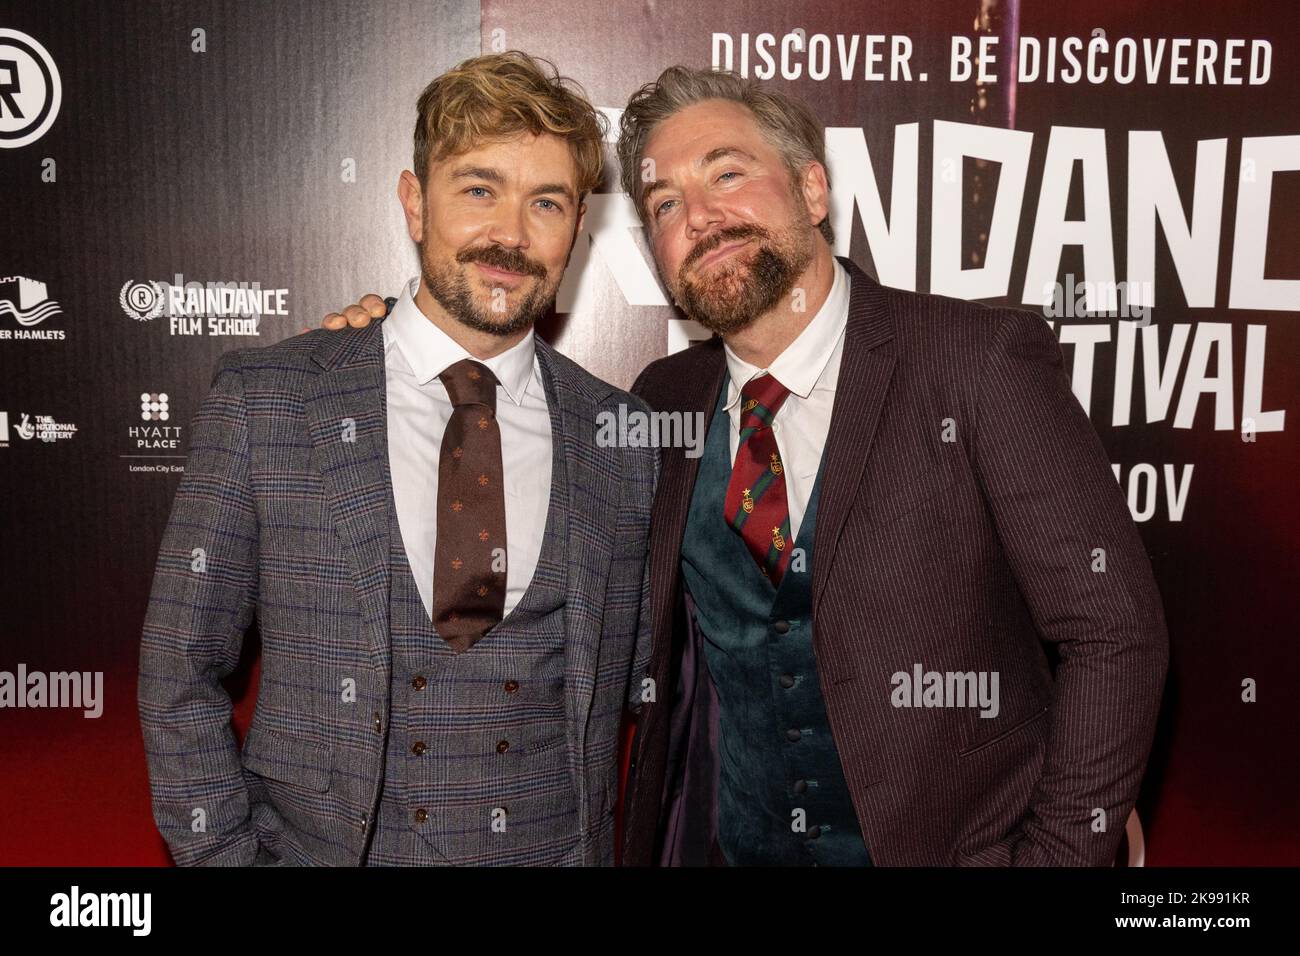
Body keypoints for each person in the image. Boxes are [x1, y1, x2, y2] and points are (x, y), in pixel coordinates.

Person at [323, 65, 1169, 867]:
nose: (698, 216)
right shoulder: (658, 403)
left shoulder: (976, 362)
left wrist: (1061, 855)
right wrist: (390, 351)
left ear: (811, 188)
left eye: (726, 175)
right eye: (663, 202)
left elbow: (1115, 633)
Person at [139, 51, 656, 867]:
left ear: (577, 232)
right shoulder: (269, 399)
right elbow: (179, 668)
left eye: (547, 202)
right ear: (415, 203)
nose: (510, 236)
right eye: (478, 189)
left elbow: (661, 683)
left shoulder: (623, 438)